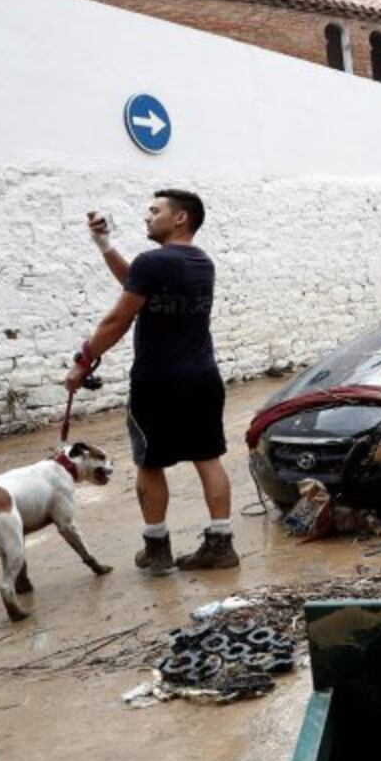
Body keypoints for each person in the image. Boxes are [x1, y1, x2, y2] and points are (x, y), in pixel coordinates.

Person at [68, 190, 238, 574]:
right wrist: (105, 245)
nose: (147, 218)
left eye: (154, 211)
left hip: (157, 382)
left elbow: (118, 319)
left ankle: (157, 550)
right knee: (207, 457)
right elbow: (138, 284)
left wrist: (84, 361)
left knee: (150, 463)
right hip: (203, 378)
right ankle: (221, 545)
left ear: (180, 218)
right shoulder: (201, 262)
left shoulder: (153, 262)